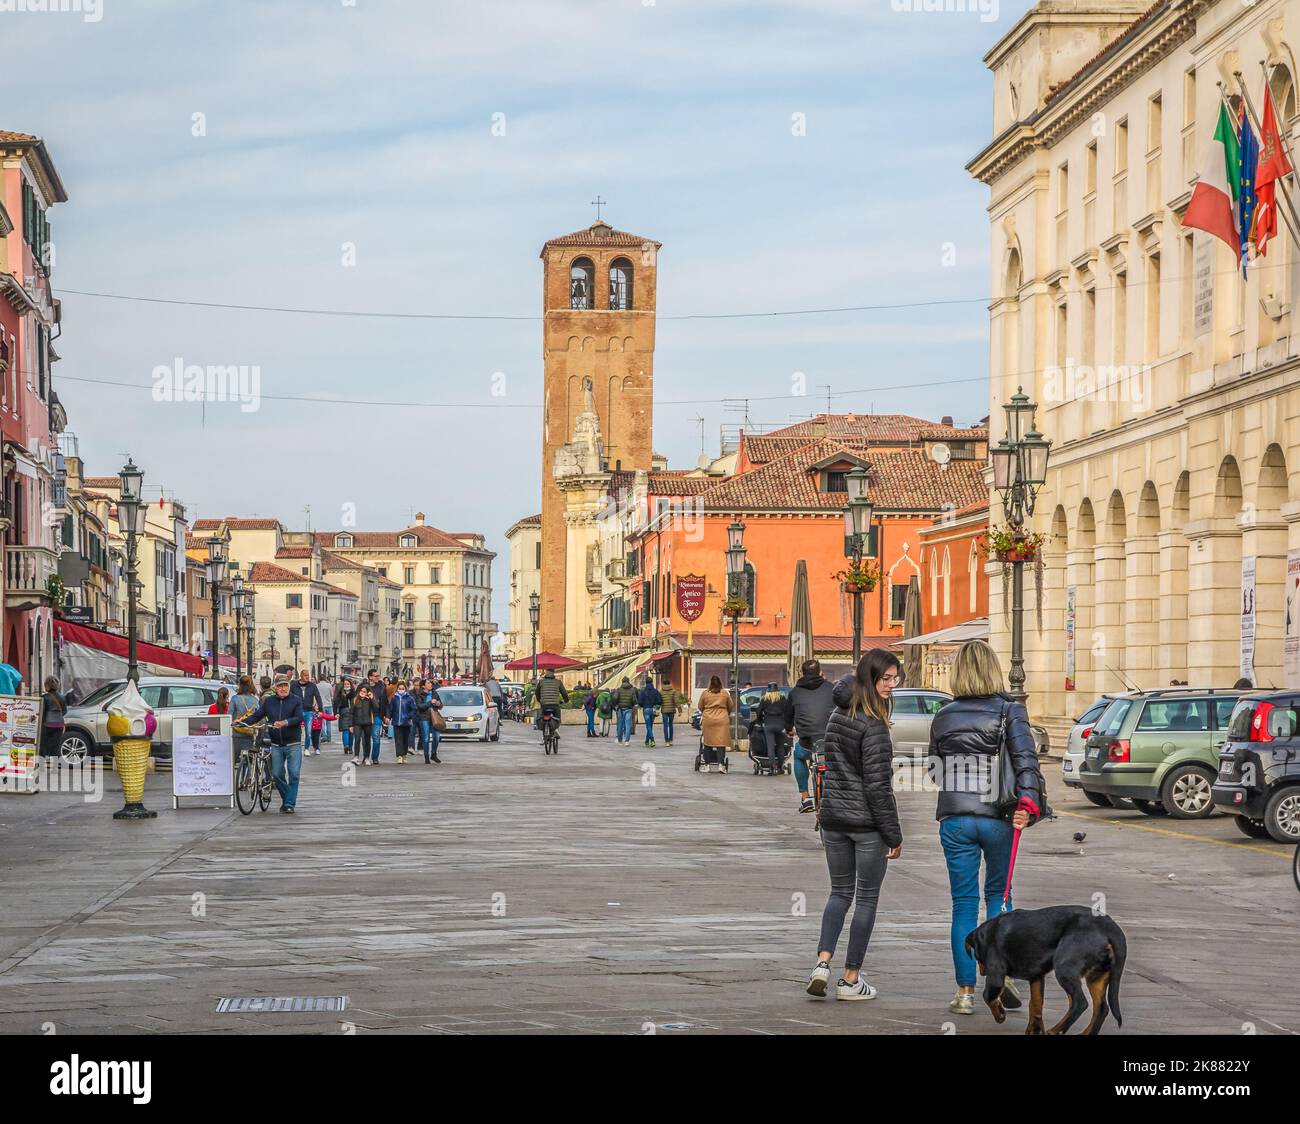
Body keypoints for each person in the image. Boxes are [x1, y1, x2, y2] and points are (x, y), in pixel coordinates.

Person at [930, 639, 1044, 1017]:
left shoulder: (943, 715)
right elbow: (1027, 760)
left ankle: (964, 992)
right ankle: (1004, 975)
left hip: (955, 817)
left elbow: (935, 769)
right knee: (999, 894)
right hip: (1000, 816)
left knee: (962, 903)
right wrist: (1028, 803)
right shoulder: (1011, 710)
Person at [806, 649, 903, 1002]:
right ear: (870, 678)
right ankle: (850, 980)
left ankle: (821, 963)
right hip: (865, 825)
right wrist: (893, 834)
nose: (892, 685)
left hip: (833, 819)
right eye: (885, 678)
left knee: (838, 893)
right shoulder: (873, 725)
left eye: (895, 678)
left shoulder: (837, 715)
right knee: (865, 899)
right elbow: (878, 787)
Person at [242, 674, 306, 813]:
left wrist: (285, 722)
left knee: (294, 774)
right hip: (276, 744)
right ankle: (288, 799)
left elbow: (299, 717)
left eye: (285, 686)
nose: (283, 689)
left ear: (289, 686)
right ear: (275, 688)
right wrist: (242, 722)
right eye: (280, 686)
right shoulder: (269, 701)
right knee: (277, 775)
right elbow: (257, 715)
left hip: (293, 743)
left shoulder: (295, 700)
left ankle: (289, 804)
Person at [787, 659, 836, 814]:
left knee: (799, 756)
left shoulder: (794, 692)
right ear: (821, 672)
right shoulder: (832, 689)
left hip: (807, 741)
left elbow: (788, 717)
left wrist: (789, 729)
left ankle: (806, 797)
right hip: (830, 740)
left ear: (802, 673)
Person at [698, 675, 733, 773]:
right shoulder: (725, 693)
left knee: (707, 743)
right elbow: (731, 706)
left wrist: (707, 711)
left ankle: (707, 765)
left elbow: (700, 706)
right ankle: (721, 765)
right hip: (722, 719)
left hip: (708, 719)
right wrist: (725, 713)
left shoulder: (705, 693)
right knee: (721, 743)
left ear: (710, 683)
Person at [755, 684, 790, 774]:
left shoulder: (765, 699)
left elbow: (758, 711)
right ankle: (780, 767)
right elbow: (787, 711)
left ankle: (772, 766)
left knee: (770, 746)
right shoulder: (782, 698)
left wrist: (760, 720)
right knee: (780, 746)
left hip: (768, 724)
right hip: (780, 725)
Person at [291, 670, 323, 755]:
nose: (307, 677)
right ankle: (295, 748)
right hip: (297, 711)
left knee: (308, 731)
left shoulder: (312, 685)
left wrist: (320, 710)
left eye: (308, 675)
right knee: (295, 730)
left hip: (308, 711)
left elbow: (318, 697)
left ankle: (307, 748)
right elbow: (289, 697)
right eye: (305, 675)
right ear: (301, 675)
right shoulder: (294, 685)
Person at [229, 676, 260, 763]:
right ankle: (248, 775)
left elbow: (229, 715)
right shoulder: (255, 700)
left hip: (236, 733)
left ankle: (238, 776)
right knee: (248, 761)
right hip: (249, 733)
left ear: (240, 685)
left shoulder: (235, 699)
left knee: (234, 761)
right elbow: (259, 716)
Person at [534, 667, 569, 744]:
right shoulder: (558, 682)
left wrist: (540, 700)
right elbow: (564, 693)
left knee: (543, 718)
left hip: (544, 705)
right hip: (555, 705)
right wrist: (566, 700)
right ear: (553, 674)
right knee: (557, 718)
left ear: (546, 673)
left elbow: (537, 693)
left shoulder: (541, 682)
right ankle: (556, 729)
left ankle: (544, 738)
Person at [391, 680, 416, 763]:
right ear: (397, 689)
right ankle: (399, 756)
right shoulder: (394, 698)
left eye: (402, 688)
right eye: (399, 688)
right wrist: (387, 717)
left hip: (406, 722)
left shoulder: (410, 698)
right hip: (396, 722)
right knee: (398, 740)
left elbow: (414, 709)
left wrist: (408, 716)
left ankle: (404, 755)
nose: (401, 690)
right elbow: (391, 709)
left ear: (405, 689)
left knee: (405, 740)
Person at [40, 677, 65, 757]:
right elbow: (65, 711)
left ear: (48, 685)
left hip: (47, 725)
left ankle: (41, 763)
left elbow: (42, 713)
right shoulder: (62, 697)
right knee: (56, 745)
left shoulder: (45, 697)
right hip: (60, 724)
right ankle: (57, 764)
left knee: (43, 745)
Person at [352, 685, 377, 765]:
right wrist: (350, 725)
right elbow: (351, 712)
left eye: (364, 691)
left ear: (367, 692)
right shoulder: (356, 699)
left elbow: (376, 708)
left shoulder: (369, 700)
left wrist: (372, 698)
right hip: (357, 723)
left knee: (367, 740)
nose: (362, 693)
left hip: (367, 723)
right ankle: (356, 757)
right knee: (357, 739)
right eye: (361, 691)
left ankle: (366, 757)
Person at [364, 670, 388, 750]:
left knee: (376, 736)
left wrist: (386, 715)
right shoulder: (363, 686)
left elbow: (385, 702)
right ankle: (366, 756)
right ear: (370, 677)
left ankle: (375, 757)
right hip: (365, 715)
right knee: (365, 738)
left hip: (377, 715)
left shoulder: (381, 687)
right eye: (376, 676)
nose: (378, 677)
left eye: (378, 676)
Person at [658, 678, 685, 747]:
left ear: (663, 684)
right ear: (669, 683)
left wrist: (657, 709)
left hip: (664, 710)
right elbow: (676, 701)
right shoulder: (673, 691)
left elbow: (659, 702)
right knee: (670, 725)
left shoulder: (661, 692)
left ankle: (666, 741)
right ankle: (671, 740)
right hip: (672, 710)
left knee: (665, 725)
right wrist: (680, 710)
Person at [638, 676, 663, 747]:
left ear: (646, 683)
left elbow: (640, 702)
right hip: (653, 709)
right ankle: (646, 741)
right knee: (650, 725)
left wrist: (642, 705)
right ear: (652, 682)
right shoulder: (655, 691)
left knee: (648, 726)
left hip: (646, 709)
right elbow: (660, 701)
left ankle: (652, 740)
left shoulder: (643, 691)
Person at [613, 676, 638, 746]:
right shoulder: (632, 690)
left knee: (620, 725)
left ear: (622, 682)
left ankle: (620, 740)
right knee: (628, 725)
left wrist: (615, 705)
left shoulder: (619, 690)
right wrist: (634, 704)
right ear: (628, 681)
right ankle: (627, 741)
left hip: (620, 709)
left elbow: (615, 698)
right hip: (629, 709)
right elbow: (634, 700)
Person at [336, 676, 356, 757]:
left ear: (350, 685)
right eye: (345, 684)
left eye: (348, 684)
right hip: (343, 712)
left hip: (352, 712)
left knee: (351, 732)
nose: (347, 685)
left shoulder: (354, 693)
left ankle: (350, 747)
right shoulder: (340, 692)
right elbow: (336, 703)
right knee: (345, 730)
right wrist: (336, 712)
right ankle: (346, 746)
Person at [317, 674, 335, 742]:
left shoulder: (317, 685)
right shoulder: (329, 685)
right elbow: (332, 695)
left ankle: (324, 736)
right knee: (329, 722)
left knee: (322, 722)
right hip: (328, 705)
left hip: (321, 706)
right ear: (325, 678)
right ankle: (329, 737)